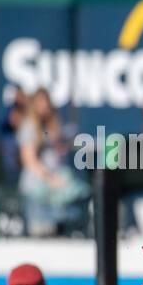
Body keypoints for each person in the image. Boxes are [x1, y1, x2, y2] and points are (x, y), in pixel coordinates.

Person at [16, 89, 89, 236]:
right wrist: (49, 178)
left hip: (58, 177)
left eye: (47, 102)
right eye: (41, 102)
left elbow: (59, 152)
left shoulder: (52, 126)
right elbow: (29, 160)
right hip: (39, 182)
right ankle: (46, 223)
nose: (45, 106)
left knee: (80, 189)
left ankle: (73, 225)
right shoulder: (29, 126)